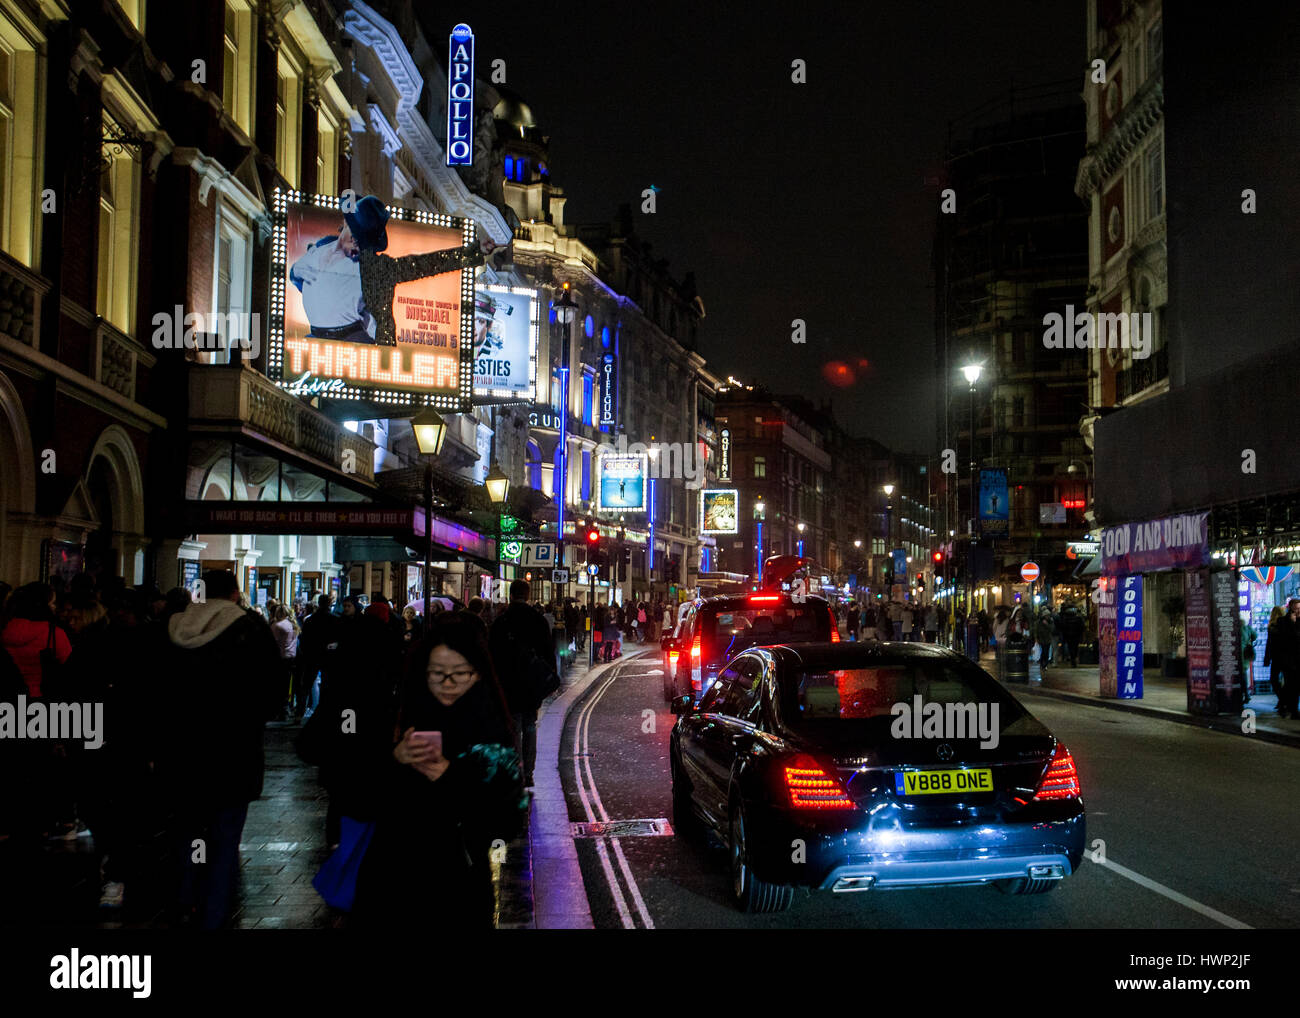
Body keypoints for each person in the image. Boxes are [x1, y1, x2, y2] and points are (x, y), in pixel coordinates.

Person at [350, 614, 526, 929]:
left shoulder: (491, 730)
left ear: (478, 674)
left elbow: (508, 821)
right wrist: (393, 760)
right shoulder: (398, 715)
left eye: (460, 673)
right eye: (437, 674)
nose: (447, 684)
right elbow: (357, 800)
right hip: (391, 884)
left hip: (459, 886)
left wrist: (450, 776)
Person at [156, 570, 282, 929]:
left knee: (187, 830)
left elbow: (152, 692)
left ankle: (184, 897)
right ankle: (213, 908)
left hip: (181, 752)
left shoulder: (171, 629)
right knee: (224, 836)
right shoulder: (250, 630)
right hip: (232, 752)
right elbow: (270, 692)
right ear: (234, 593)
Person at [488, 579, 555, 788]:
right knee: (530, 726)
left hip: (508, 682)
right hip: (532, 683)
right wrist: (550, 678)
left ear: (511, 595)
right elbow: (548, 652)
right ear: (527, 595)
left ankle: (516, 769)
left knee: (514, 727)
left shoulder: (502, 620)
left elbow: (492, 653)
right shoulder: (538, 619)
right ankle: (529, 772)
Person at [270, 604, 300, 719]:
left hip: (281, 657)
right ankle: (288, 707)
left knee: (279, 685)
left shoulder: (277, 625)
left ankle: (281, 710)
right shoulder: (294, 625)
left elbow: (273, 642)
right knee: (288, 684)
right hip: (292, 657)